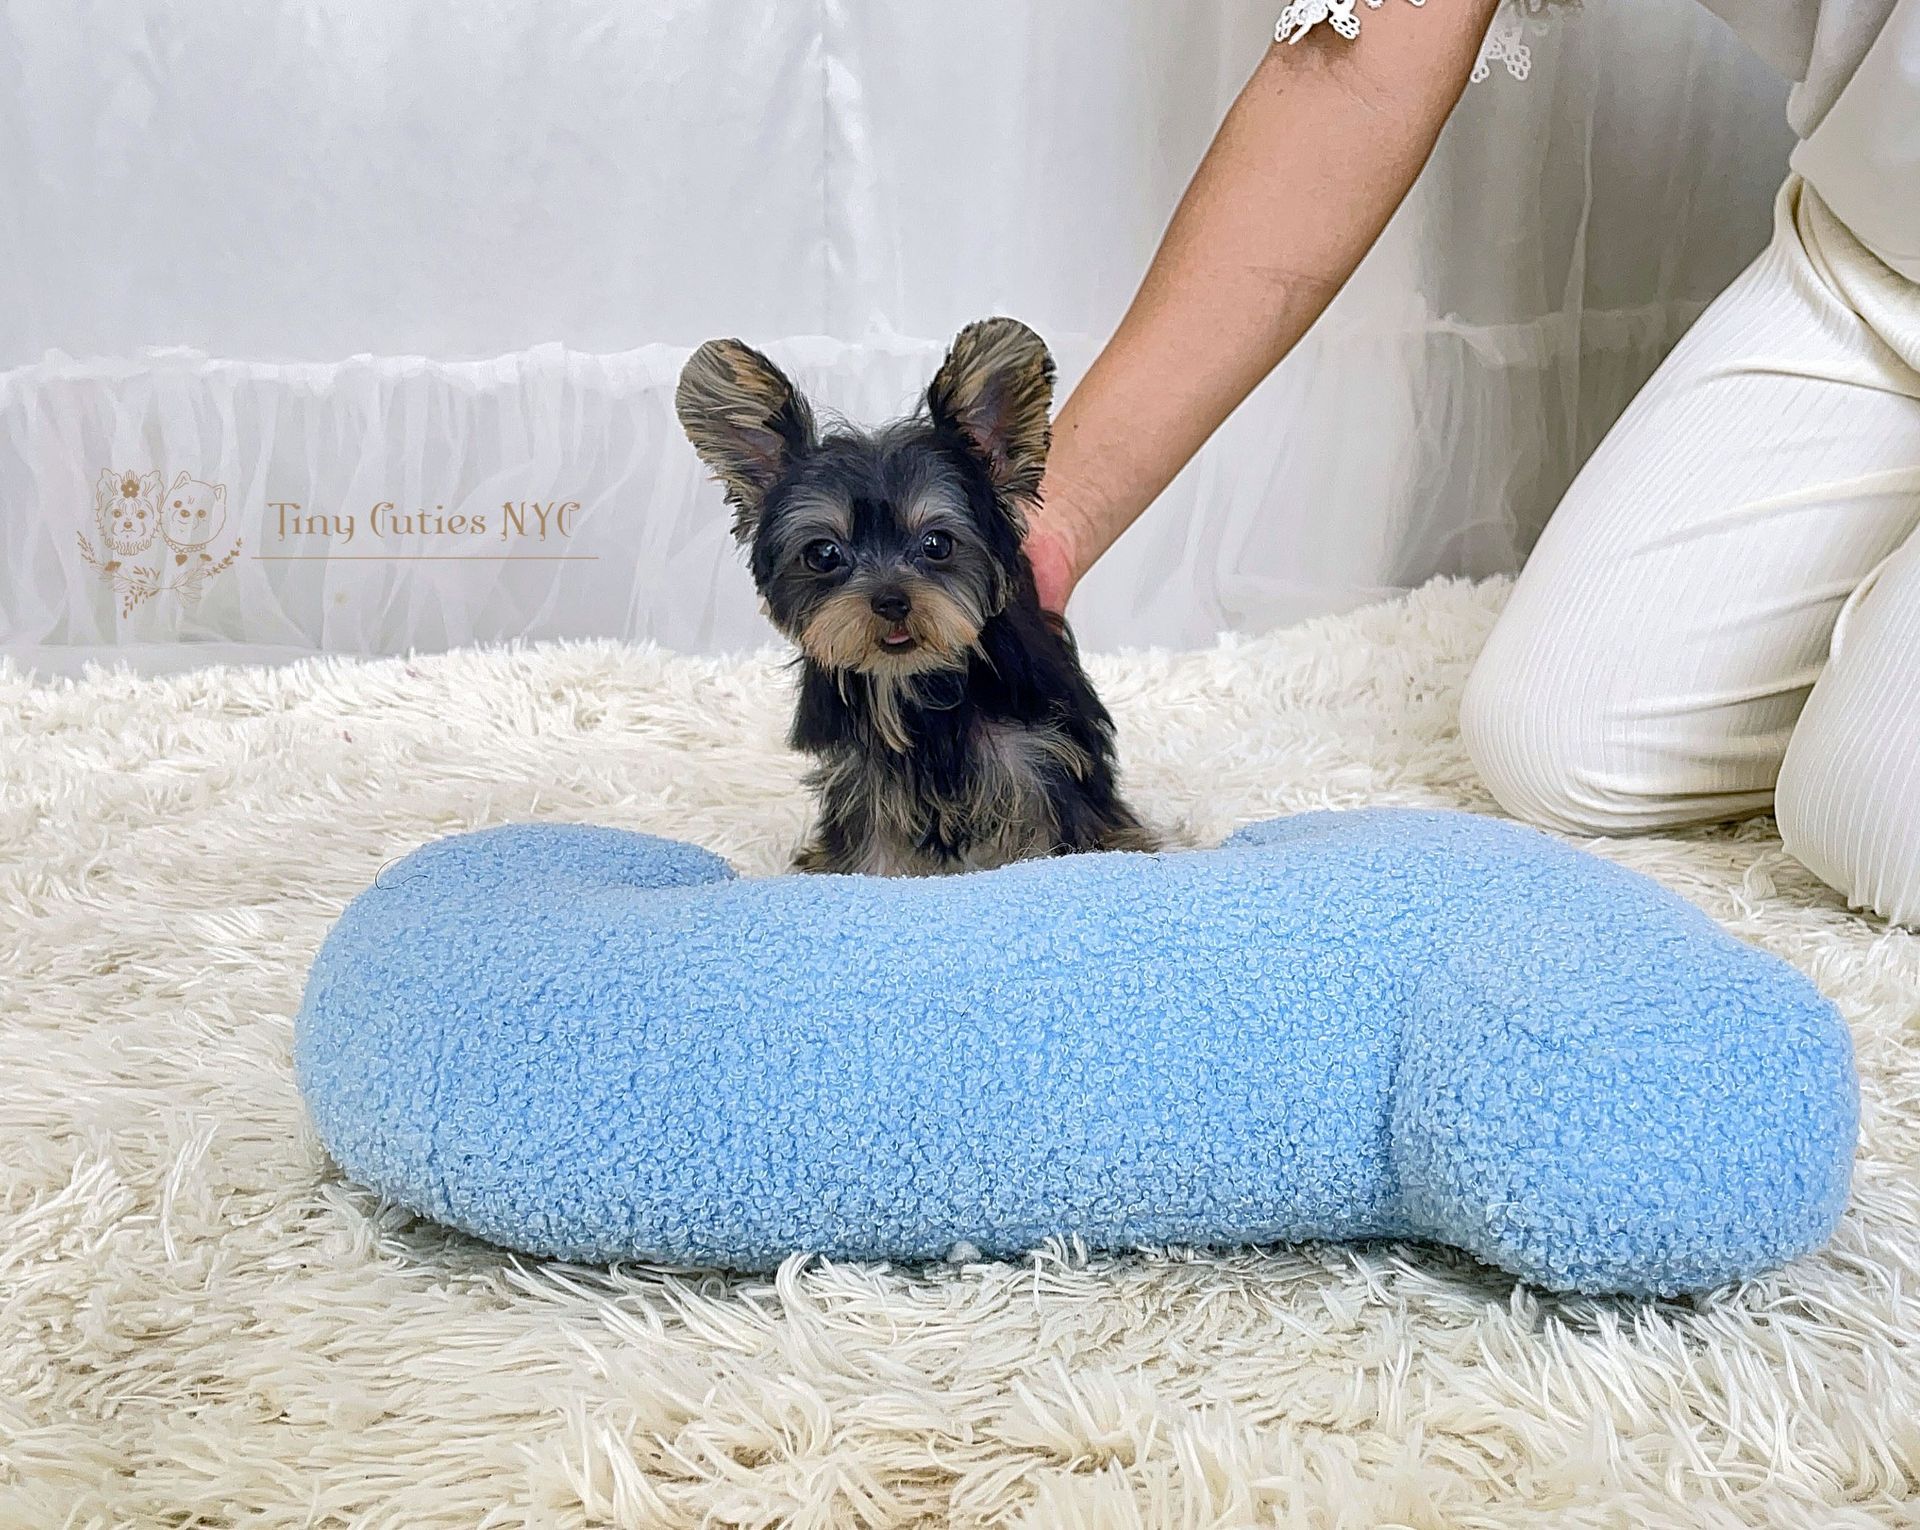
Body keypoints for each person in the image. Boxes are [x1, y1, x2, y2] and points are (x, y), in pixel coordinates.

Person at [1024, 0, 1920, 925]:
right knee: (1561, 741)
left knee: (1870, 816)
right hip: (1871, 248)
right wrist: (1052, 526)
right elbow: (1364, 75)